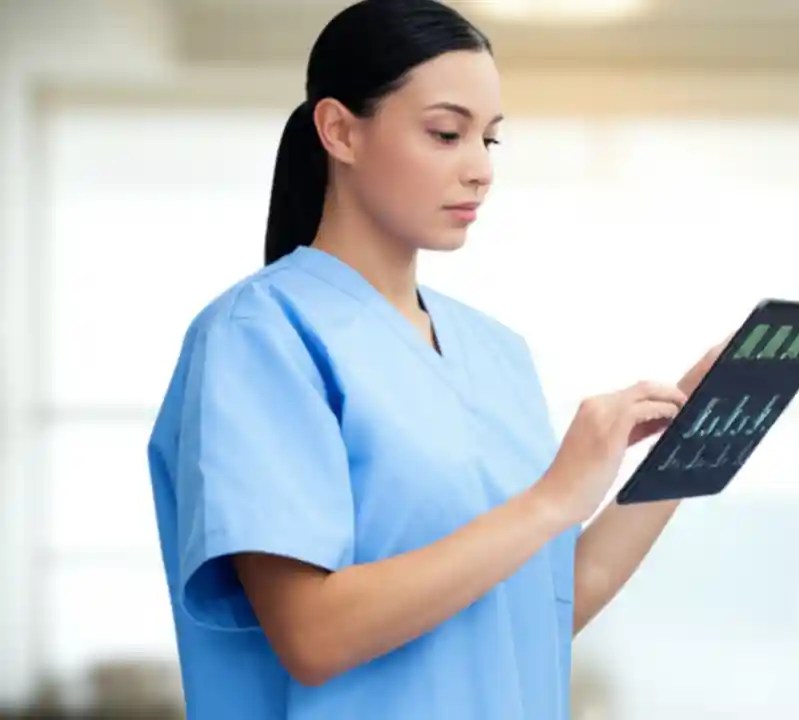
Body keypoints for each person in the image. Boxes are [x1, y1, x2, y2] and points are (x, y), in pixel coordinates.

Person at [144, 1, 725, 717]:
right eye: (446, 133)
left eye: (491, 140)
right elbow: (313, 635)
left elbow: (534, 614)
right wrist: (552, 500)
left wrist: (691, 450)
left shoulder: (496, 352)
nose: (480, 170)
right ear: (339, 131)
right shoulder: (259, 336)